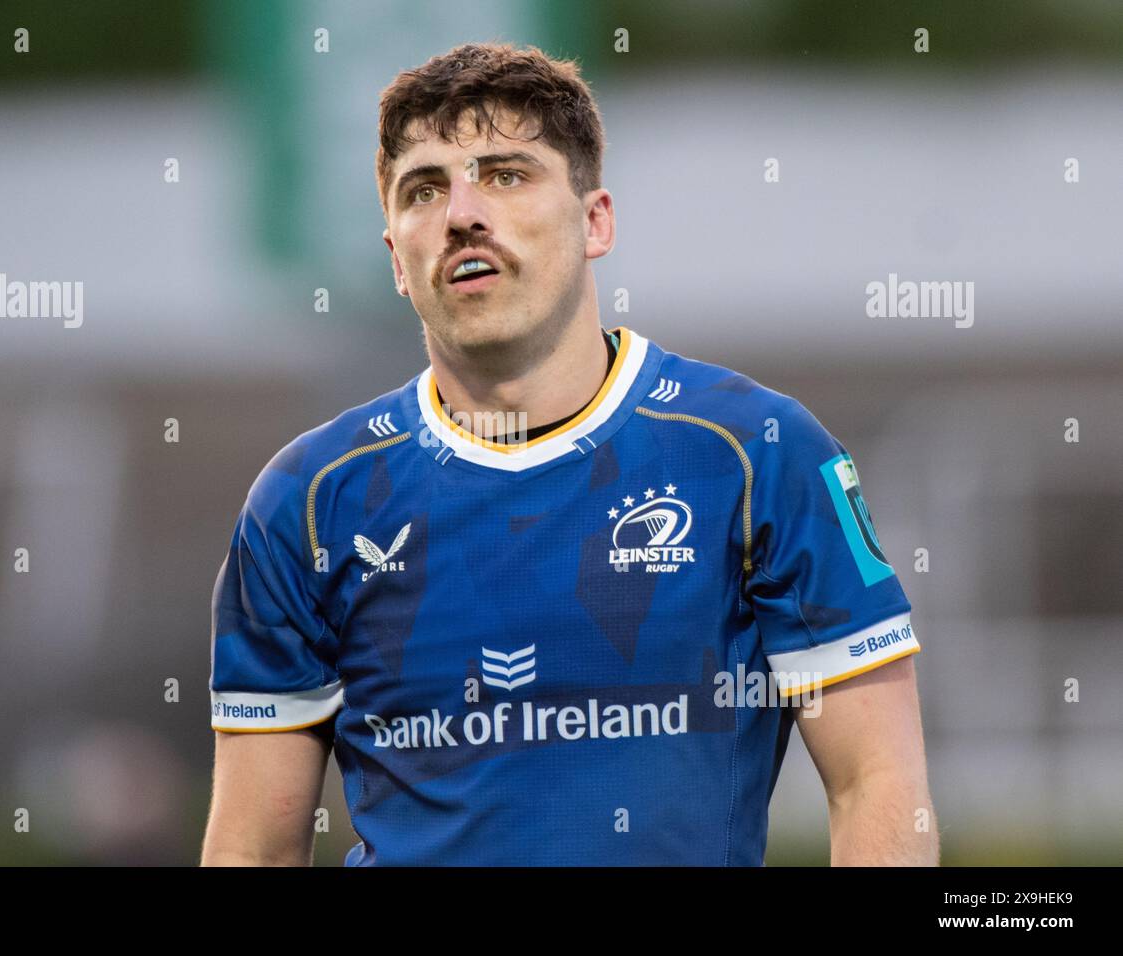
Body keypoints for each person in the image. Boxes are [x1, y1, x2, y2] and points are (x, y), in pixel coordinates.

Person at [201, 42, 936, 866]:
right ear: (396, 258)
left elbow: (876, 786)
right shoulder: (307, 501)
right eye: (425, 190)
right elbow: (254, 851)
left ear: (596, 222)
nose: (462, 214)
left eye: (506, 175)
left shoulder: (757, 454)